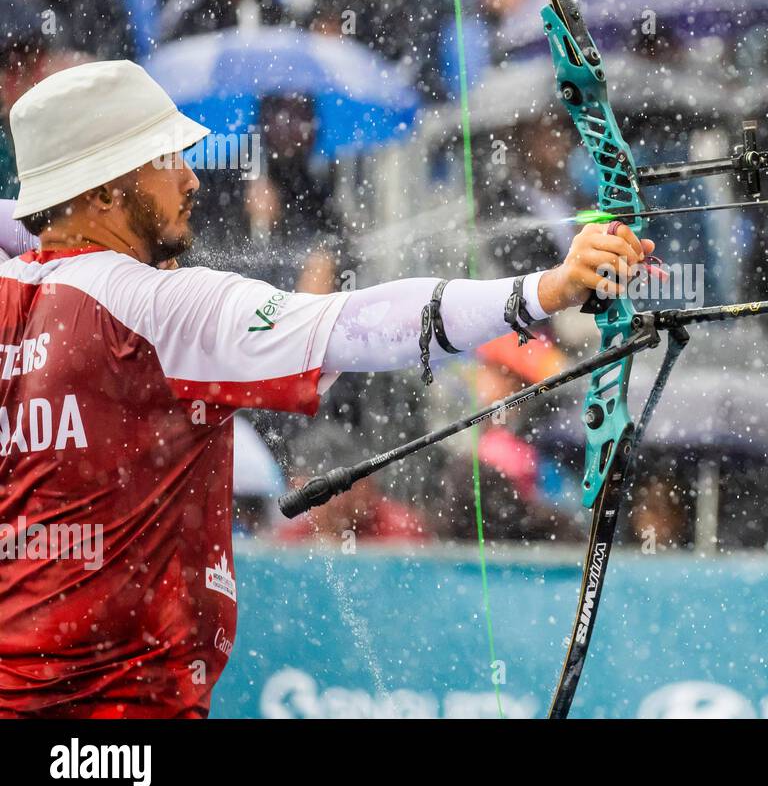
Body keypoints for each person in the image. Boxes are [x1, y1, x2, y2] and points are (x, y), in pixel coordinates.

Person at [0, 60, 653, 718]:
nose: (192, 178)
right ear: (108, 191)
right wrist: (546, 290)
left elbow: (51, 243)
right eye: (166, 160)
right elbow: (364, 324)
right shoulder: (159, 309)